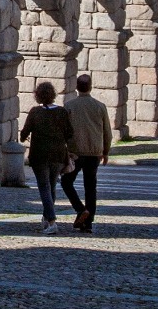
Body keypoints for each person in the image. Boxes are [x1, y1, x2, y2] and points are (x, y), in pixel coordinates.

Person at [20, 83, 74, 233]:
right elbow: (70, 133)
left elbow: (24, 132)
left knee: (44, 186)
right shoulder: (62, 112)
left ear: (37, 95)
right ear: (53, 94)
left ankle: (51, 221)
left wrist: (23, 137)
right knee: (51, 186)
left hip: (40, 155)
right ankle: (46, 218)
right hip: (58, 154)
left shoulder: (35, 112)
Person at [62, 73, 112, 233]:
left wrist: (65, 150)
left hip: (75, 152)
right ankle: (88, 223)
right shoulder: (100, 106)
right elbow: (107, 132)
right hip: (94, 152)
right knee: (90, 187)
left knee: (66, 182)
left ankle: (80, 209)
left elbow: (64, 131)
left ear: (76, 87)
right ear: (90, 87)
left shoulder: (69, 106)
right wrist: (105, 151)